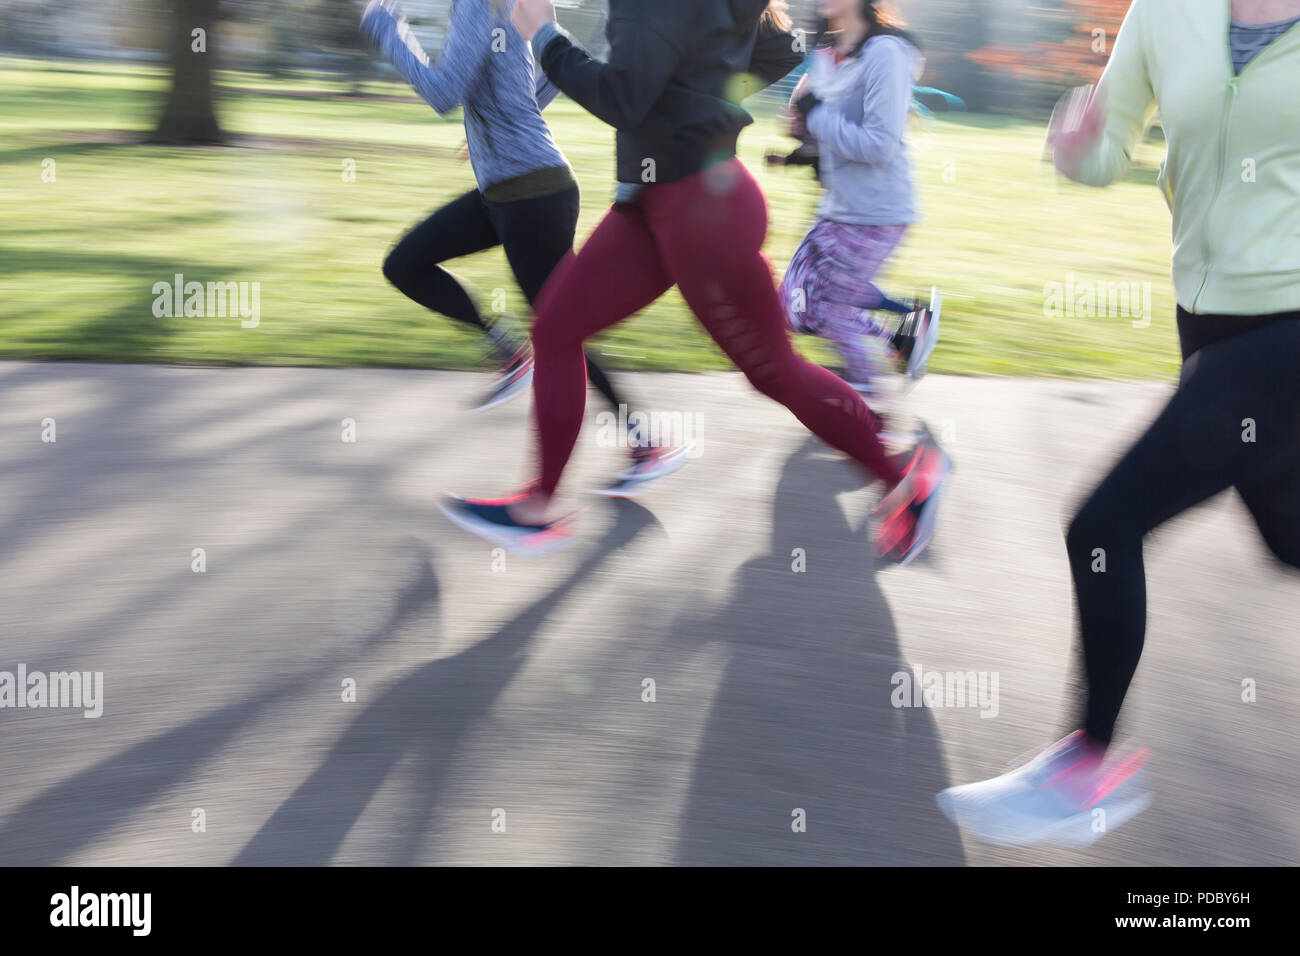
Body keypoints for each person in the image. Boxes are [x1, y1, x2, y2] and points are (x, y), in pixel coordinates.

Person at [938, 0, 1300, 847]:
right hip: (1207, 322)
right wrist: (1077, 147)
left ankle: (1083, 769)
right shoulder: (1168, 12)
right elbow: (1112, 146)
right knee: (1289, 541)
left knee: (1104, 523)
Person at [441, 0, 952, 562]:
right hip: (656, 205)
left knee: (773, 370)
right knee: (557, 329)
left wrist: (543, 34)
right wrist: (698, 100)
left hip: (697, 212)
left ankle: (905, 476)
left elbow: (622, 100)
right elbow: (774, 50)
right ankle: (536, 509)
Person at [360, 0, 690, 494]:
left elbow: (442, 92)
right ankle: (510, 353)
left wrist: (385, 25)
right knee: (405, 264)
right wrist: (508, 111)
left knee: (562, 331)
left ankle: (644, 443)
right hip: (511, 192)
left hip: (531, 197)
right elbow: (552, 72)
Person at [777, 0, 941, 399]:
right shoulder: (828, 54)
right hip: (838, 206)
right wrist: (800, 147)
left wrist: (815, 117)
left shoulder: (886, 52)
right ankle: (903, 332)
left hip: (878, 211)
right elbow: (832, 134)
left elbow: (878, 146)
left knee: (831, 308)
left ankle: (867, 402)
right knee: (794, 305)